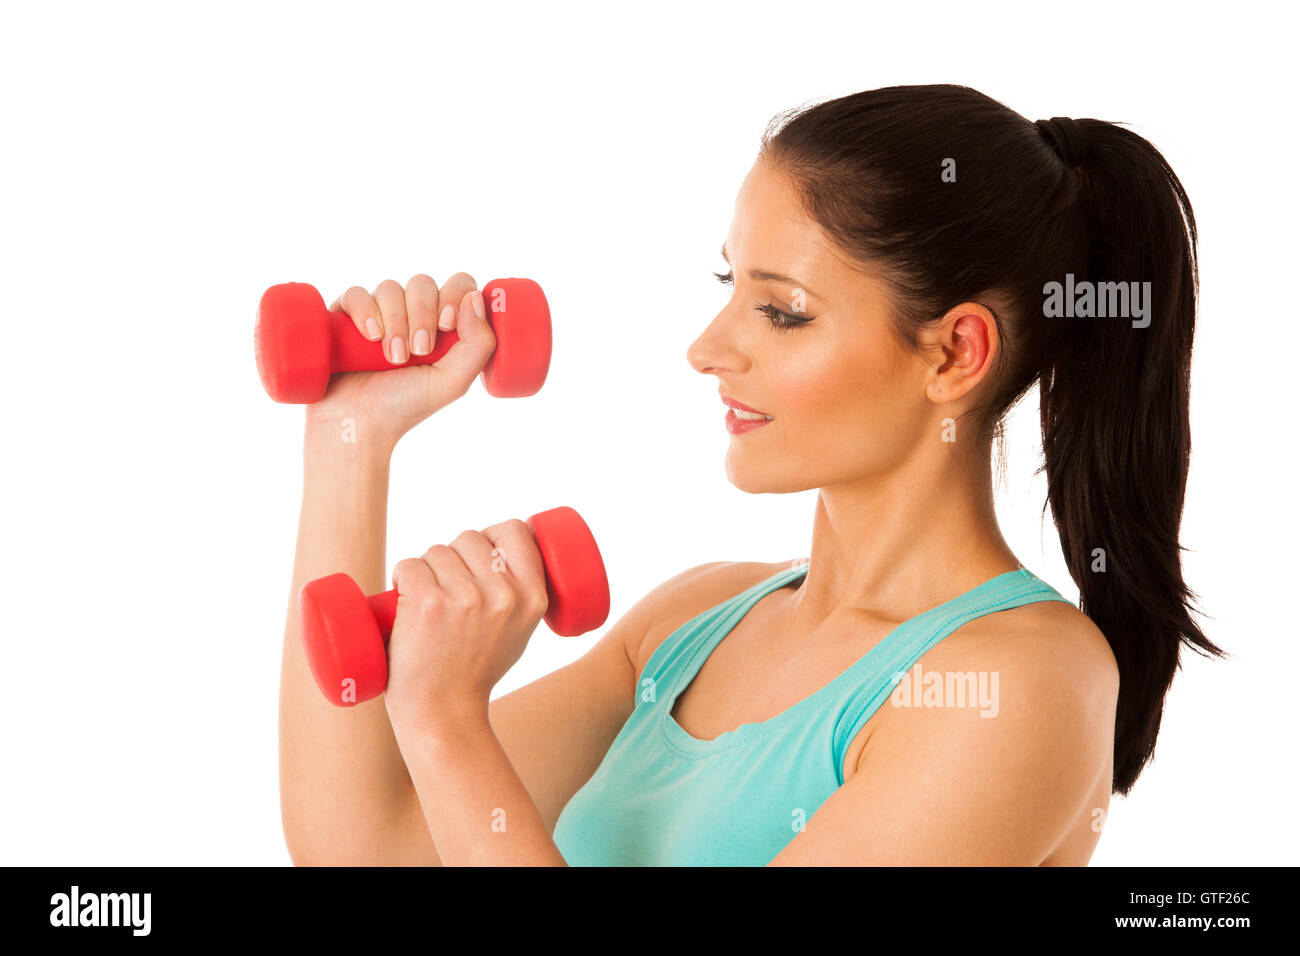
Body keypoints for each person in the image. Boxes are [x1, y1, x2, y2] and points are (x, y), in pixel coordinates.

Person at [278, 84, 1219, 866]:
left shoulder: (1019, 687)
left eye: (784, 313)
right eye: (730, 286)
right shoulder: (691, 624)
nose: (706, 349)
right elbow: (366, 846)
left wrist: (447, 722)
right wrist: (350, 439)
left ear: (954, 355)